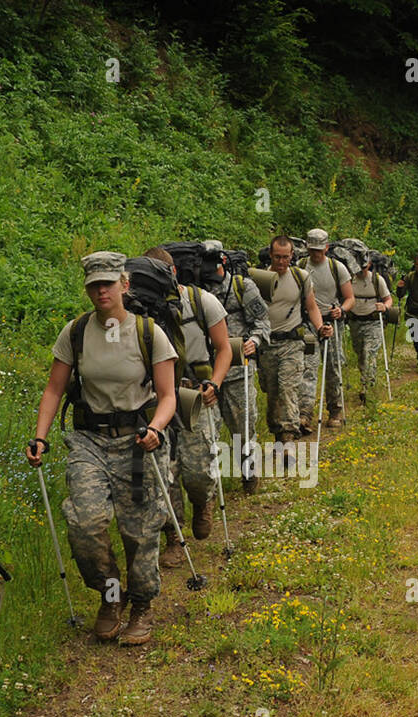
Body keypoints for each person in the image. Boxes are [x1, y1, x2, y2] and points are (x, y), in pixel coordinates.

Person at [28, 251, 177, 646]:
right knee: (84, 522)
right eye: (93, 285)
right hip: (89, 440)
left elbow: (167, 396)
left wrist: (157, 429)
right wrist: (40, 437)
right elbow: (54, 389)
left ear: (124, 285)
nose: (100, 292)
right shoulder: (75, 332)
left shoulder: (149, 333)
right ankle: (111, 595)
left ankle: (142, 606)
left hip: (138, 442)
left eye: (107, 284)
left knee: (140, 530)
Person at [141, 247, 231, 566]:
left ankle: (202, 499)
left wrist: (215, 383)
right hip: (157, 399)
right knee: (164, 473)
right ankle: (174, 537)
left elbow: (224, 348)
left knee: (198, 470)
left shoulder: (201, 301)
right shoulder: (142, 309)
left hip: (196, 395)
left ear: (173, 273)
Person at [202, 239, 269, 495]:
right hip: (206, 372)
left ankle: (249, 474)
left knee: (243, 428)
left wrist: (254, 341)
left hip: (239, 370)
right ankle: (209, 490)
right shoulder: (196, 289)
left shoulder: (242, 286)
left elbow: (262, 320)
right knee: (209, 432)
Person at [257, 235, 324, 459]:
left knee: (288, 387)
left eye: (286, 257)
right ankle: (278, 434)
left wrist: (321, 327)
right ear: (270, 254)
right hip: (267, 344)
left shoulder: (300, 277)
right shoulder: (259, 278)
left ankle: (289, 438)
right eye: (277, 257)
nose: (282, 262)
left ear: (292, 256)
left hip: (292, 342)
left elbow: (311, 306)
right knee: (272, 391)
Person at [299, 229, 353, 430]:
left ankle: (335, 410)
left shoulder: (337, 268)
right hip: (308, 324)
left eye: (319, 250)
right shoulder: (300, 267)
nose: (315, 254)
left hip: (332, 323)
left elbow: (350, 298)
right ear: (307, 248)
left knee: (333, 367)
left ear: (327, 248)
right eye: (312, 250)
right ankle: (304, 414)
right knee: (308, 368)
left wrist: (342, 310)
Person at [347, 253, 394, 406]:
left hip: (373, 322)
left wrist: (385, 306)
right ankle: (366, 380)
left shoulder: (377, 279)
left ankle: (368, 386)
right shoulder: (350, 279)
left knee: (369, 353)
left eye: (364, 266)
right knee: (360, 354)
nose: (362, 269)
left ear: (369, 265)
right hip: (355, 322)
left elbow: (388, 299)